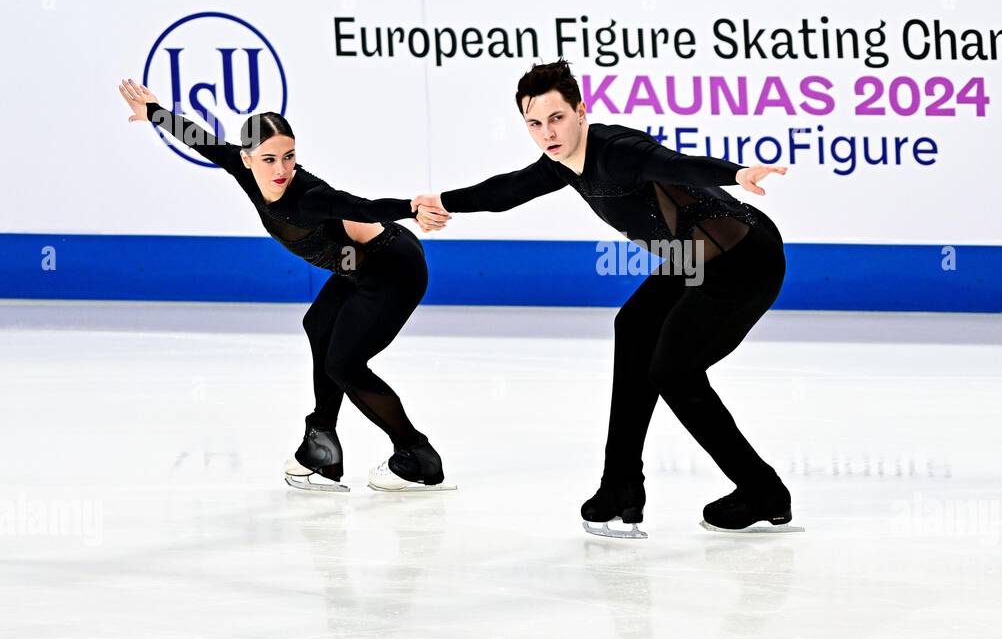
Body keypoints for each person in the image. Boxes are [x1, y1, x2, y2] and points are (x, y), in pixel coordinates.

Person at [412, 60, 797, 534]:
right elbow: (507, 190)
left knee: (674, 372)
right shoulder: (562, 164)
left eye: (556, 118)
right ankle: (620, 485)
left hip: (744, 260)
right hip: (694, 260)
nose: (547, 133)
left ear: (580, 112)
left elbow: (675, 164)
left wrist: (735, 173)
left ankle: (762, 490)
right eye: (534, 124)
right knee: (634, 327)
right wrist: (442, 202)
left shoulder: (618, 150)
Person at [116, 78, 453, 494]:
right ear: (248, 159)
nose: (281, 170)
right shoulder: (245, 171)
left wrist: (411, 208)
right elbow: (201, 140)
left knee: (344, 365)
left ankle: (416, 455)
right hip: (358, 267)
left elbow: (358, 205)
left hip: (394, 267)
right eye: (270, 159)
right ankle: (321, 447)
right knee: (319, 326)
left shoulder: (309, 197)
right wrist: (154, 112)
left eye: (289, 157)